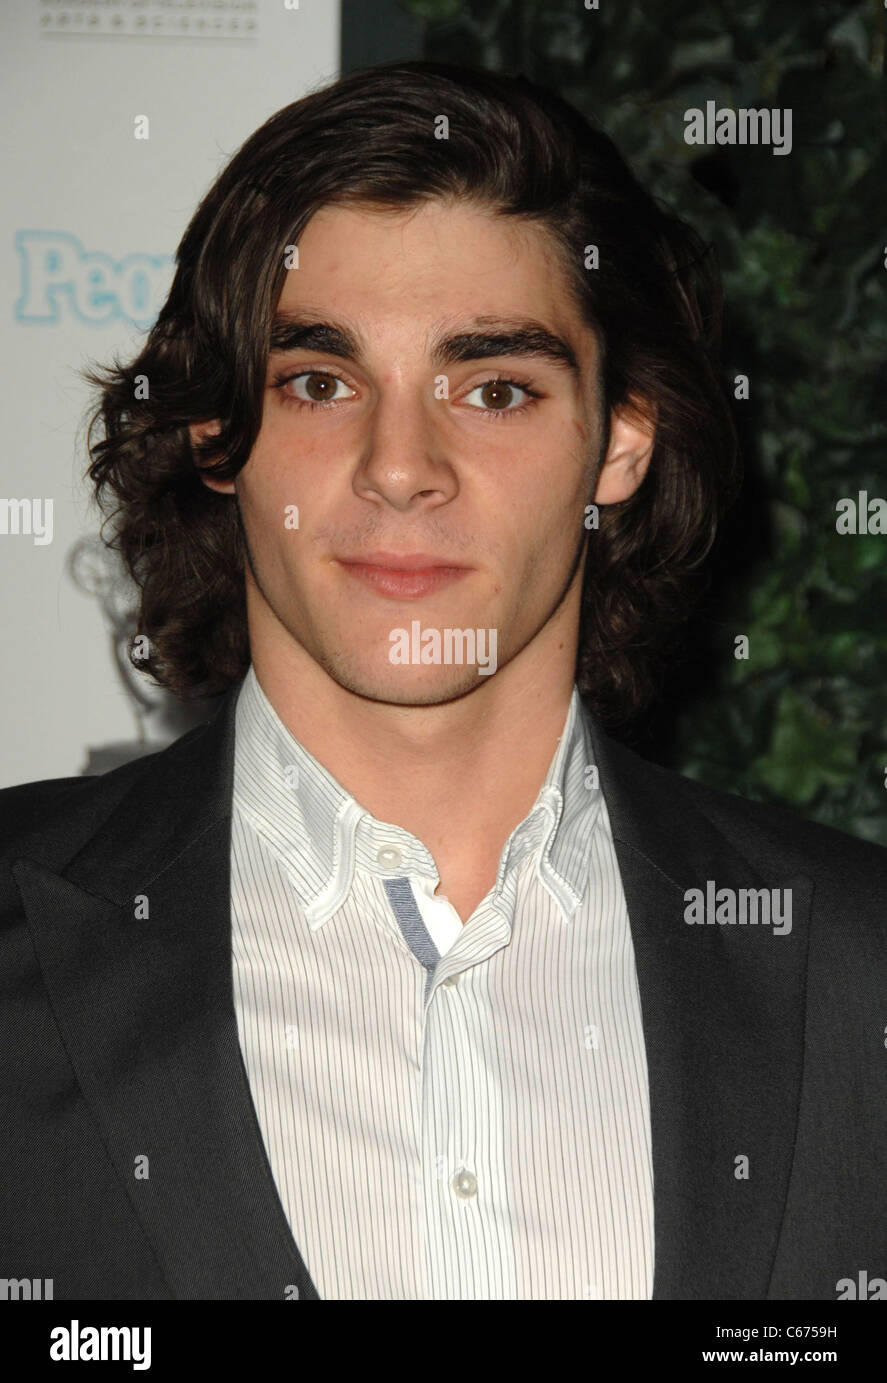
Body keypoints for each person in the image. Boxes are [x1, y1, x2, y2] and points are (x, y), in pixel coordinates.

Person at [1, 61, 884, 1302]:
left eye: (493, 389)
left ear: (618, 441)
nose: (399, 465)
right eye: (319, 380)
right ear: (214, 434)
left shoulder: (858, 966)